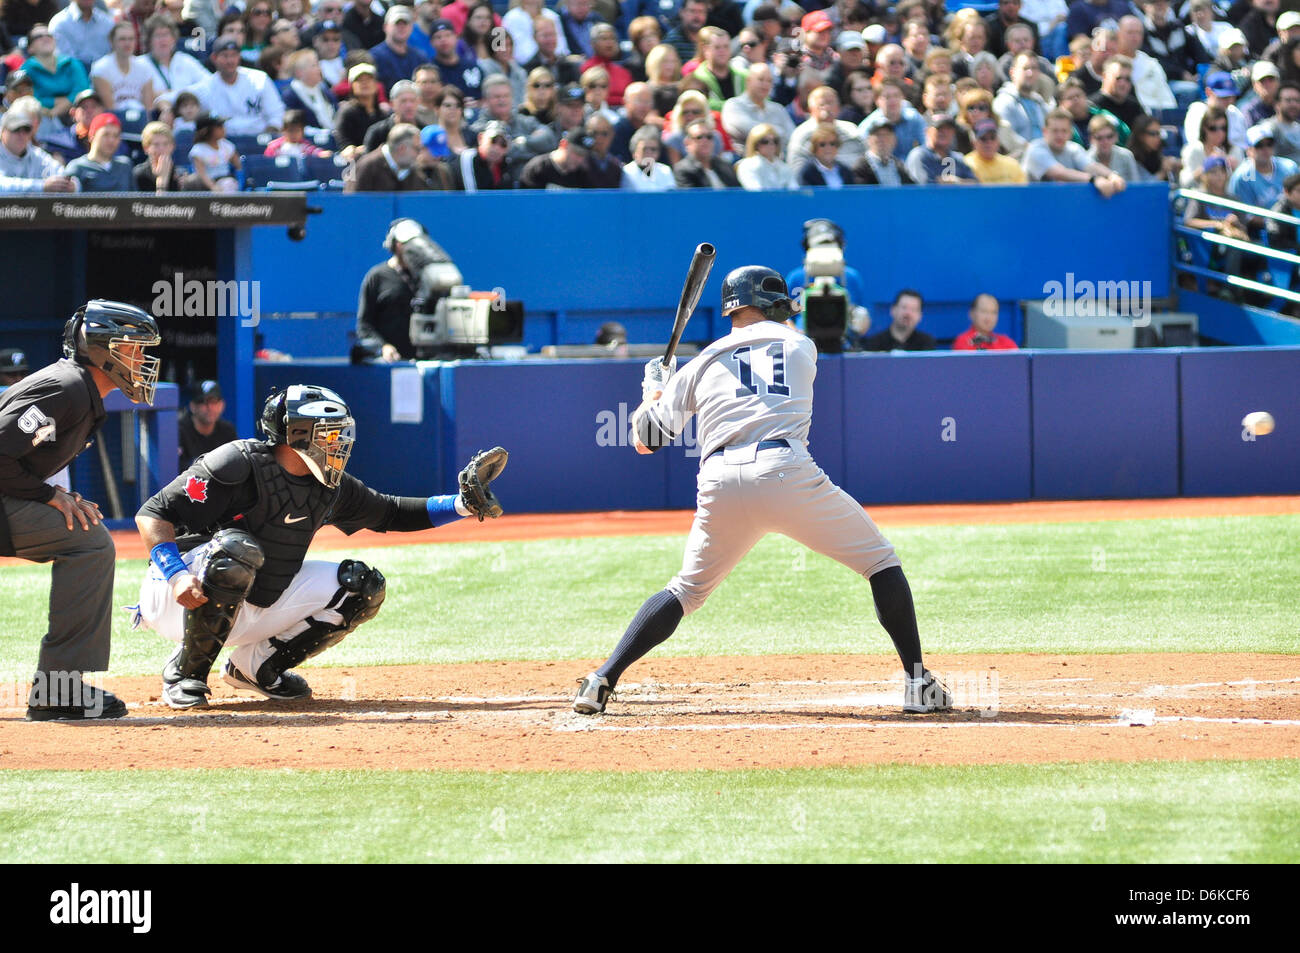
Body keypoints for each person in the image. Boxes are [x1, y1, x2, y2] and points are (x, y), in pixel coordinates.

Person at [571, 266, 952, 717]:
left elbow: (646, 441)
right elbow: (769, 348)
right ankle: (917, 683)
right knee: (881, 562)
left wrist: (654, 389)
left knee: (686, 591)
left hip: (719, 481)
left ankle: (602, 680)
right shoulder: (801, 345)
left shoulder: (702, 360)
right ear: (771, 305)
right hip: (785, 470)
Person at [132, 383, 508, 709]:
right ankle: (185, 673)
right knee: (238, 550)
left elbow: (390, 512)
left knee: (362, 585)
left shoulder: (331, 486)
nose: (339, 443)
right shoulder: (237, 462)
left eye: (340, 433)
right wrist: (176, 574)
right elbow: (152, 513)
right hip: (176, 595)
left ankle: (258, 667)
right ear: (296, 434)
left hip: (255, 598)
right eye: (328, 433)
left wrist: (462, 504)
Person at [0, 300, 161, 720]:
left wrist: (50, 494)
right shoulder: (66, 387)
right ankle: (59, 689)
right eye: (135, 349)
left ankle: (58, 686)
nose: (143, 360)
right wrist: (49, 496)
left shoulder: (76, 388)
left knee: (86, 536)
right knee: (89, 542)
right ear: (104, 350)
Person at [1022, 108, 1128, 196]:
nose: (1059, 135)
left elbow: (1091, 166)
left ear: (1070, 133)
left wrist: (1112, 175)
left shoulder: (1073, 148)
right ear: (1045, 131)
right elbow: (1060, 173)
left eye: (1064, 131)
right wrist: (1094, 180)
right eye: (1055, 130)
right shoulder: (1035, 149)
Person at [196, 37, 285, 137]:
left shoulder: (259, 79)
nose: (230, 61)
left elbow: (276, 114)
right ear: (214, 58)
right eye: (225, 56)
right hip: (223, 143)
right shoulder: (205, 87)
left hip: (259, 138)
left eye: (234, 55)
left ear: (239, 56)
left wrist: (270, 134)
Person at [347, 122, 444, 191]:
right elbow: (353, 204)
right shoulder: (368, 166)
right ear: (401, 148)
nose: (419, 154)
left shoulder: (412, 170)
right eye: (417, 149)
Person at [0, 108, 78, 193]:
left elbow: (64, 175)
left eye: (26, 130)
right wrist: (41, 186)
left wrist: (71, 185)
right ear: (2, 132)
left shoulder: (37, 154)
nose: (21, 134)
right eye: (15, 129)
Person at [90, 21, 155, 111]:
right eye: (122, 39)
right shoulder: (101, 68)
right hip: (113, 120)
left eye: (131, 39)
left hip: (140, 118)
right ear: (112, 42)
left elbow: (149, 108)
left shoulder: (144, 66)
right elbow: (110, 108)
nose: (127, 43)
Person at [64, 111, 133, 190]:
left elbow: (136, 199)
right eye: (105, 134)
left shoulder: (125, 166)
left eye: (116, 136)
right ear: (92, 136)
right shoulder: (77, 167)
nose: (111, 140)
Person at [177, 379, 237, 471]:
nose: (210, 407)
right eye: (203, 402)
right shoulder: (179, 431)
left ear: (222, 405)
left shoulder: (227, 430)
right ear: (193, 406)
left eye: (214, 401)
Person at [860, 288, 936, 351]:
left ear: (920, 316)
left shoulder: (926, 344)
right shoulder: (874, 343)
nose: (908, 313)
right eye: (904, 307)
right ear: (893, 310)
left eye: (913, 309)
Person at [673, 117, 740, 187]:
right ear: (687, 143)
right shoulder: (682, 169)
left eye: (709, 137)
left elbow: (738, 192)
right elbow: (690, 196)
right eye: (699, 137)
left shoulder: (725, 165)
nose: (705, 141)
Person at [852, 114, 916, 185]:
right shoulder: (861, 168)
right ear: (869, 139)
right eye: (878, 135)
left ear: (894, 139)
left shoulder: (899, 166)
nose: (883, 140)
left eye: (887, 135)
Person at [735, 121, 795, 189]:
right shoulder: (747, 166)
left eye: (775, 141)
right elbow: (756, 191)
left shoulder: (784, 167)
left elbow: (794, 190)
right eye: (765, 141)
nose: (771, 144)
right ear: (755, 144)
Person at [187, 113, 240, 192]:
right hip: (206, 185)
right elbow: (201, 174)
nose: (223, 129)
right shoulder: (198, 150)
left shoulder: (227, 145)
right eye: (219, 126)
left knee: (228, 183)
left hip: (226, 179)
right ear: (206, 131)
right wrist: (213, 187)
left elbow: (239, 166)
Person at [964, 116, 1028, 182]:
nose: (989, 143)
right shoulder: (966, 165)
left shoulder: (1012, 164)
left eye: (992, 138)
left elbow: (1023, 191)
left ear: (998, 141)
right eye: (983, 139)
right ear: (974, 143)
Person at [952, 293, 1018, 349]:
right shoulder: (962, 342)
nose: (989, 317)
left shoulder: (1006, 343)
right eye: (984, 311)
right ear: (971, 314)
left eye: (993, 312)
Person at [134, 120, 185, 191]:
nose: (161, 148)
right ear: (146, 148)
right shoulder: (138, 175)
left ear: (172, 146)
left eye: (166, 144)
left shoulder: (180, 174)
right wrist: (162, 180)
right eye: (156, 144)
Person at [621, 124, 675, 190]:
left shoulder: (665, 171)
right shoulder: (626, 172)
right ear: (634, 151)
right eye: (644, 149)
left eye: (653, 149)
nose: (649, 153)